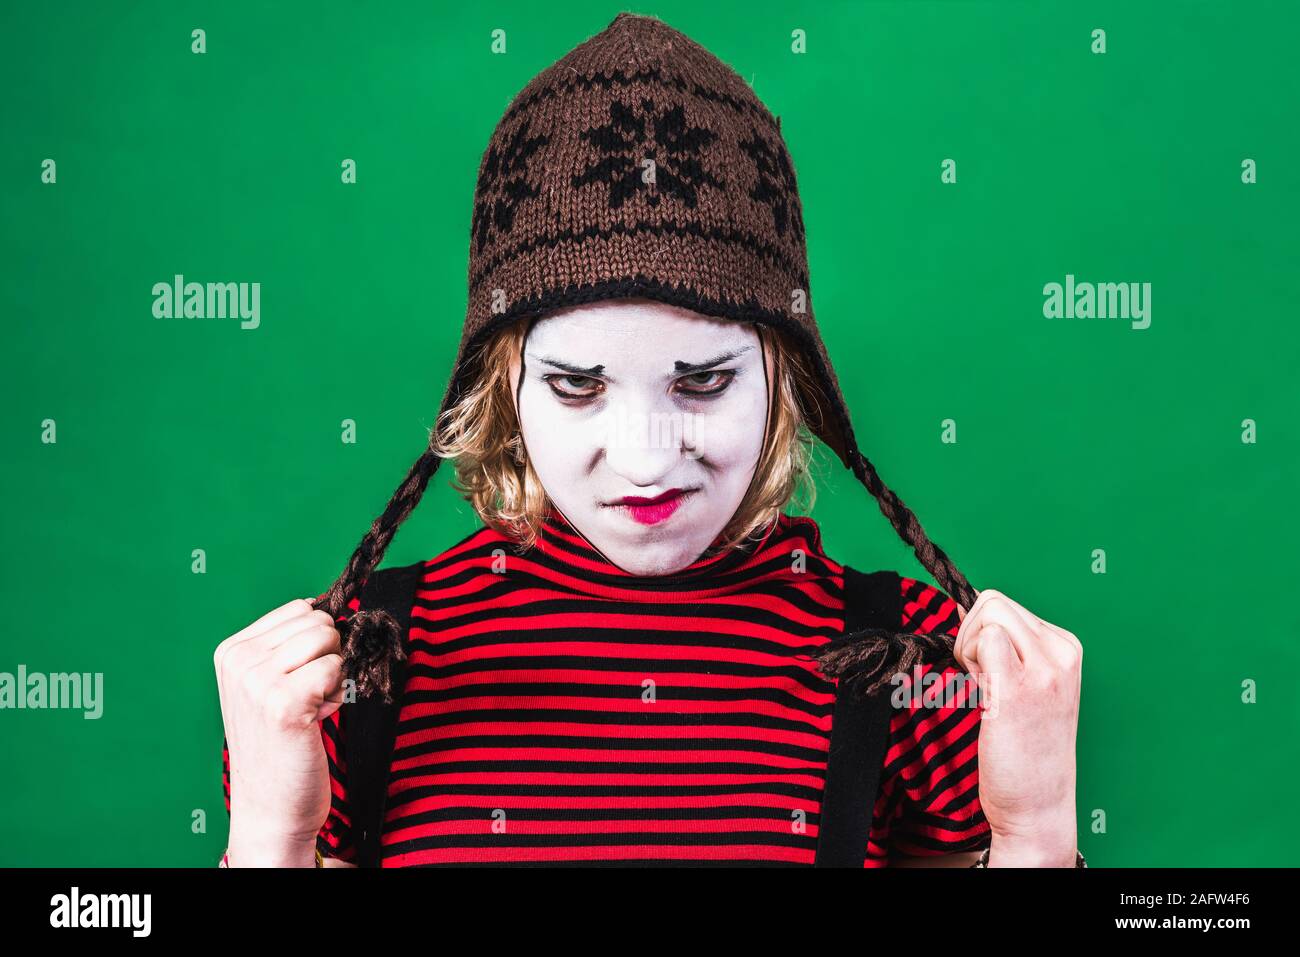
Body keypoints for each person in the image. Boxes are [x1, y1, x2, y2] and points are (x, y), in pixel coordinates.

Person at [214, 13, 1082, 868]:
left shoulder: (911, 663)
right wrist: (269, 839)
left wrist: (1036, 830)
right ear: (502, 385)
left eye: (702, 381)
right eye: (576, 385)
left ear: (790, 375)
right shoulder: (357, 671)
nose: (644, 458)